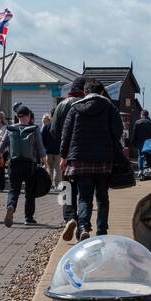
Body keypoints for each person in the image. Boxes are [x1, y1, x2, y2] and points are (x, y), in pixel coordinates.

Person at [59, 80, 125, 240]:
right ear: (102, 92)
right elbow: (118, 130)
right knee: (102, 197)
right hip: (104, 159)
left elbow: (66, 134)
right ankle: (101, 231)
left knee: (84, 196)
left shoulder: (75, 108)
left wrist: (63, 156)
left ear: (85, 92)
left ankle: (83, 227)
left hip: (80, 159)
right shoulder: (109, 107)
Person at [0, 104, 45, 226]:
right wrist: (44, 160)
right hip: (29, 164)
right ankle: (28, 218)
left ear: (17, 117)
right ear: (29, 116)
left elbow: (2, 146)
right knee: (30, 191)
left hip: (14, 164)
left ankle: (11, 206)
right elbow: (40, 147)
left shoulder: (10, 129)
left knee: (14, 190)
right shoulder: (34, 128)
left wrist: (0, 156)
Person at [52, 77, 87, 227]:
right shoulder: (86, 104)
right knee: (83, 188)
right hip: (84, 152)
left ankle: (68, 217)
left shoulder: (61, 105)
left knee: (66, 185)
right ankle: (81, 219)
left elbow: (53, 130)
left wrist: (62, 141)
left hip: (65, 152)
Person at [40, 112, 61, 190]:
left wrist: (45, 148)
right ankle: (57, 185)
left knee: (49, 169)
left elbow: (42, 139)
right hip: (58, 151)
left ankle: (48, 185)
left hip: (48, 151)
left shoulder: (46, 126)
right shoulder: (60, 126)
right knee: (57, 169)